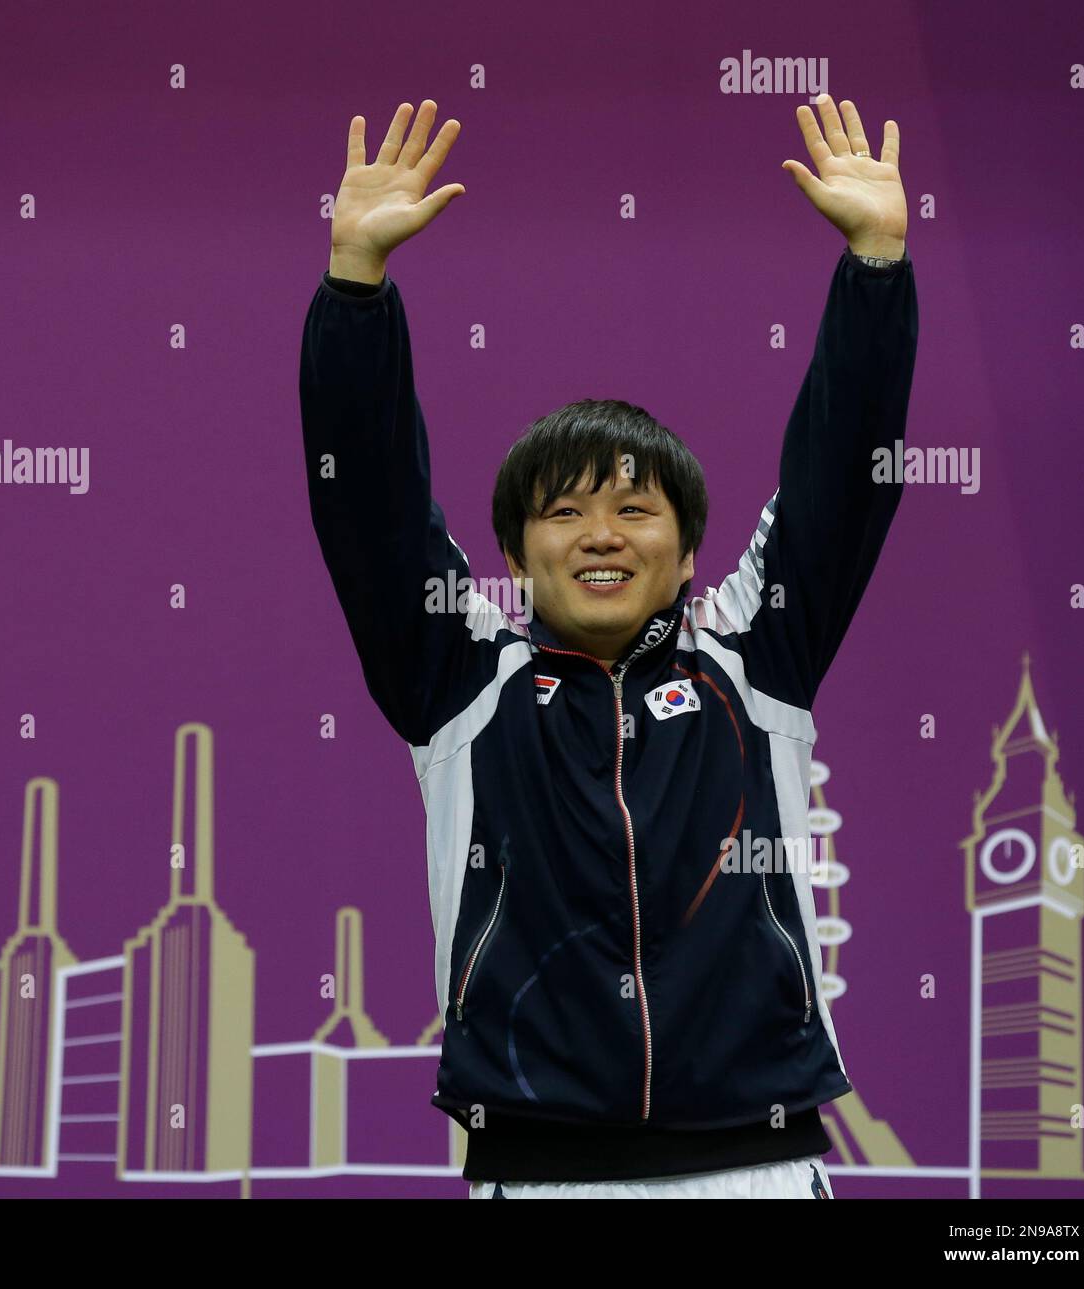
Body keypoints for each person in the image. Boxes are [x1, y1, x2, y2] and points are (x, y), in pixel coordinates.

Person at [300, 96, 917, 1199]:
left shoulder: (755, 656)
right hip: (539, 1176)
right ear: (513, 553)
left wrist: (876, 263)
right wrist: (355, 287)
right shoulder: (461, 685)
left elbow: (842, 471)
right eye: (564, 512)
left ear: (688, 554)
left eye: (634, 511)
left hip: (758, 1169)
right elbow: (370, 505)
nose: (599, 534)